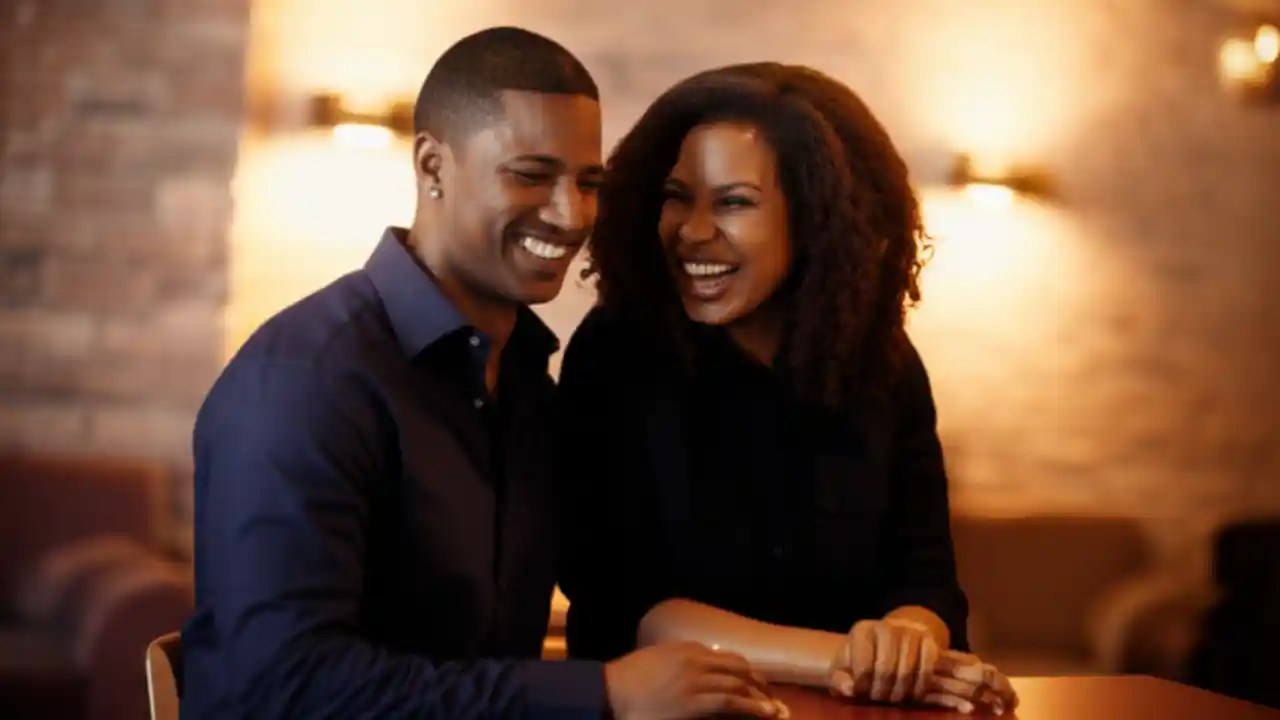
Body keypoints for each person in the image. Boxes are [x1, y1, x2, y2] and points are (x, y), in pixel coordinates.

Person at [182, 29, 779, 720]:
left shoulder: (526, 381)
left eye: (589, 184)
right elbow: (283, 688)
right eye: (531, 174)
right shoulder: (304, 382)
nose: (571, 214)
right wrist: (603, 693)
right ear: (433, 164)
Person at [558, 63, 1018, 714]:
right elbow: (626, 603)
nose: (691, 230)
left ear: (820, 218)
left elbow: (925, 579)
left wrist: (911, 645)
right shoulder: (618, 350)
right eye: (676, 194)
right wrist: (850, 659)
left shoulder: (884, 361)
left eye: (734, 201)